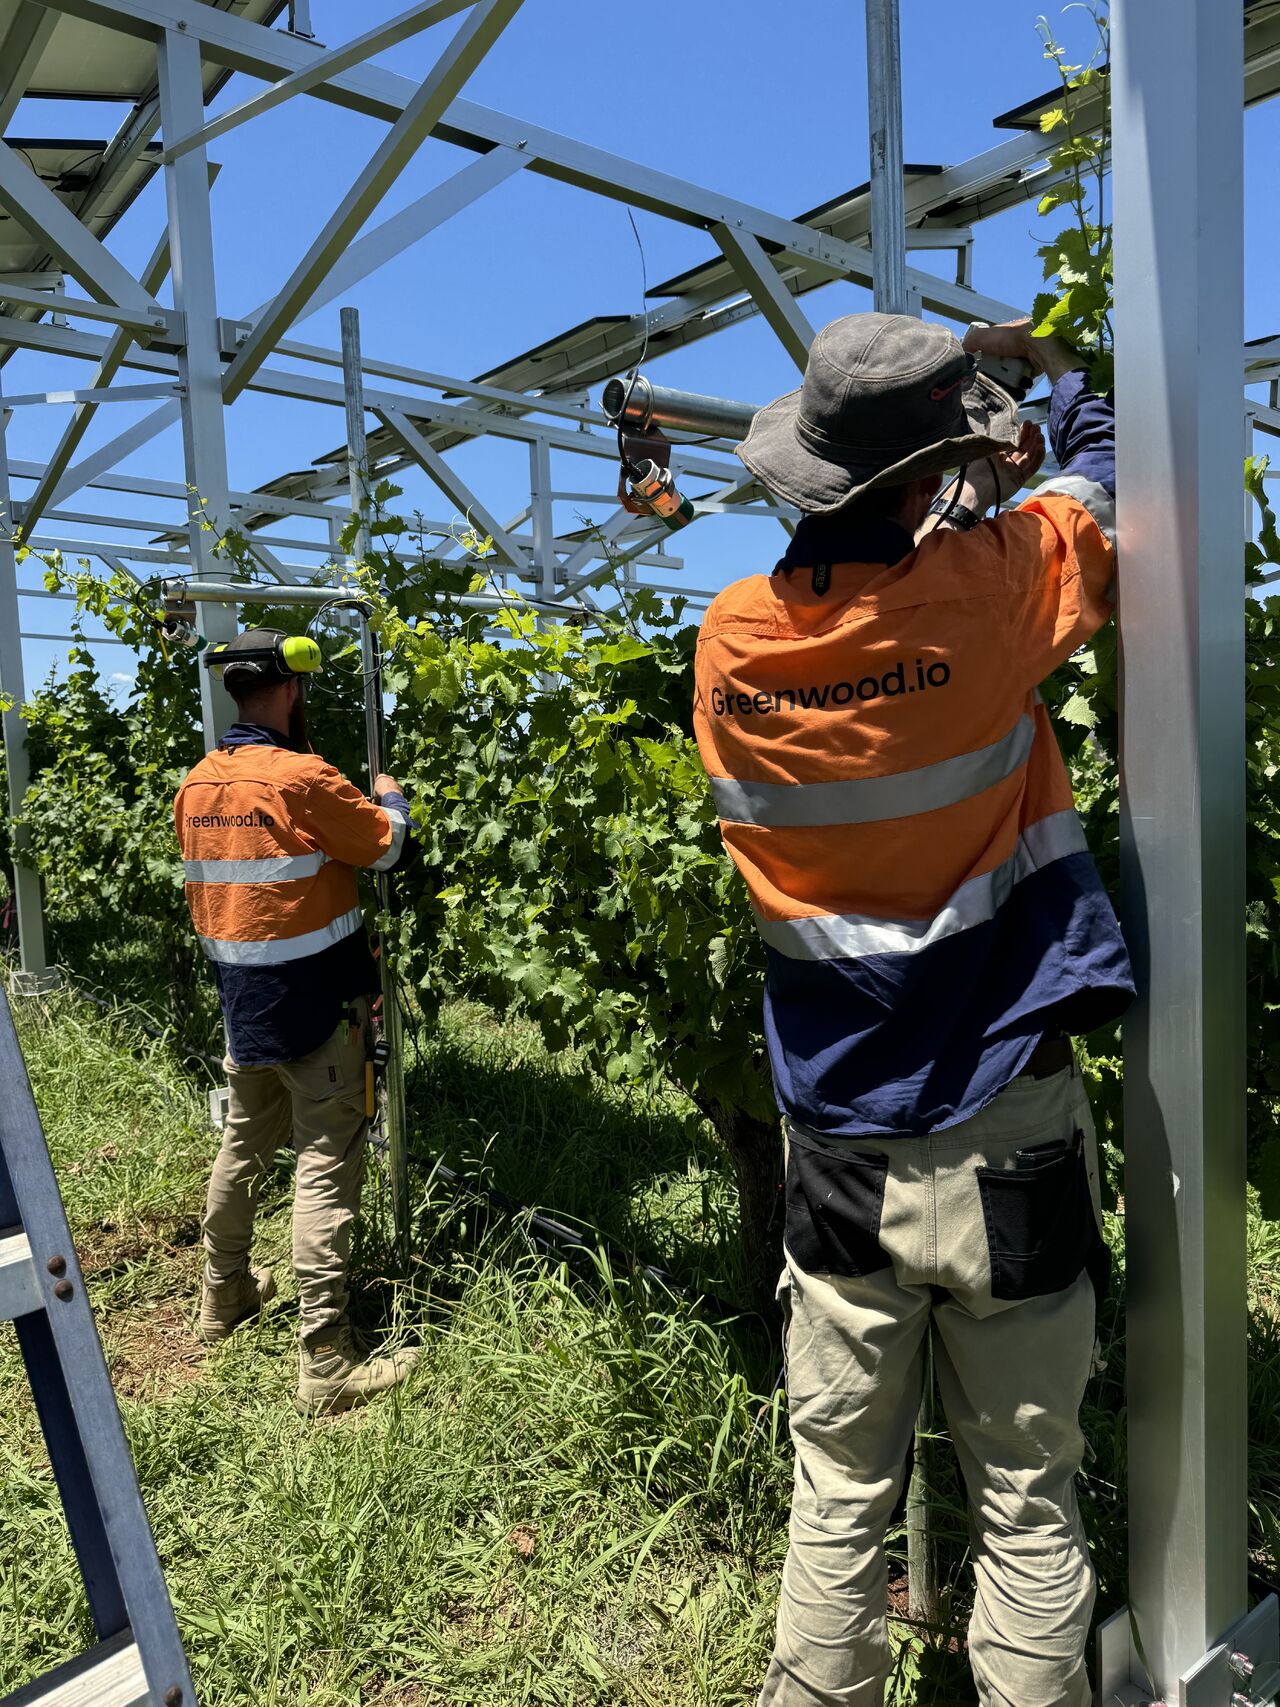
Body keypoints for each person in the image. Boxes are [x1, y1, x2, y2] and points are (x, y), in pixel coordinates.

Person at [693, 314, 1134, 1707]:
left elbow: (880, 630)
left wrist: (960, 474)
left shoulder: (729, 645)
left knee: (835, 1493)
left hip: (836, 1133)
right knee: (1026, 1493)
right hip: (1008, 1118)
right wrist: (1059, 376)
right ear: (932, 474)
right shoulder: (989, 594)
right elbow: (1097, 486)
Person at [174, 628, 417, 1417]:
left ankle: (223, 1296)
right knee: (324, 1164)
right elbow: (386, 848)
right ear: (290, 689)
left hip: (244, 1007)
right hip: (318, 1010)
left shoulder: (197, 784)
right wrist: (391, 797)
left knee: (244, 1144)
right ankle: (326, 1360)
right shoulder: (303, 778)